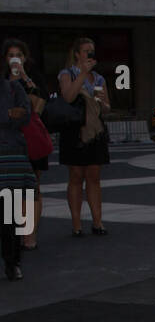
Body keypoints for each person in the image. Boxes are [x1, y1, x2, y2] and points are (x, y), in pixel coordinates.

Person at [58, 36, 111, 236]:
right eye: (86, 51)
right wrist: (82, 73)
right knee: (76, 175)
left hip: (94, 130)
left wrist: (102, 105)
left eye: (92, 50)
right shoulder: (67, 74)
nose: (90, 54)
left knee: (94, 176)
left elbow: (105, 106)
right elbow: (68, 96)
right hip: (74, 130)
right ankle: (76, 224)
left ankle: (98, 221)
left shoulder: (98, 79)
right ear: (77, 54)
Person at [1, 38, 49, 248]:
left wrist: (24, 77)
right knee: (11, 189)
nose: (15, 59)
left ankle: (29, 234)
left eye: (19, 55)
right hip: (8, 142)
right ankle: (15, 234)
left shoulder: (33, 79)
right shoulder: (2, 81)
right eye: (11, 55)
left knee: (32, 188)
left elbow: (36, 106)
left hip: (31, 138)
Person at [0, 68, 35, 281]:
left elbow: (26, 113)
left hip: (11, 155)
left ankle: (13, 262)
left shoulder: (14, 86)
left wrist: (11, 115)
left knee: (9, 214)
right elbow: (13, 115)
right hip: (9, 149)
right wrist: (7, 114)